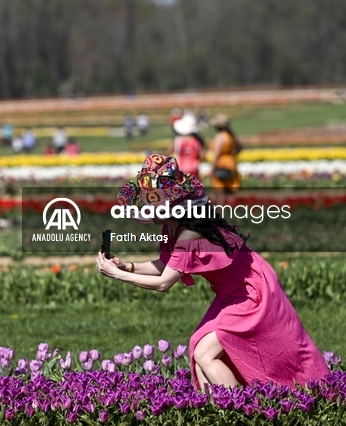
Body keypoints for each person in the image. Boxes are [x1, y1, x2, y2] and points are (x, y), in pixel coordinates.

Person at [96, 154, 328, 392]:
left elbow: (164, 282)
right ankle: (213, 411)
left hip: (251, 290)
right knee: (198, 347)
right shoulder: (172, 225)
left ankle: (237, 408)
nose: (147, 209)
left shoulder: (190, 233)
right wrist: (128, 266)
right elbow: (168, 263)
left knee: (206, 352)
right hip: (233, 290)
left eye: (152, 203)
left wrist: (116, 275)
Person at [208, 114, 242, 196]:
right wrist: (231, 155)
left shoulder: (220, 136)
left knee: (221, 189)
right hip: (231, 162)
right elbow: (240, 147)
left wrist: (212, 168)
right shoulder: (231, 135)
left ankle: (222, 207)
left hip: (221, 162)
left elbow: (217, 153)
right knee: (230, 189)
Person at [172, 112, 205, 178]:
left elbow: (167, 153)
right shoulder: (196, 141)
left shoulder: (178, 140)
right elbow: (202, 156)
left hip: (180, 167)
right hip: (193, 167)